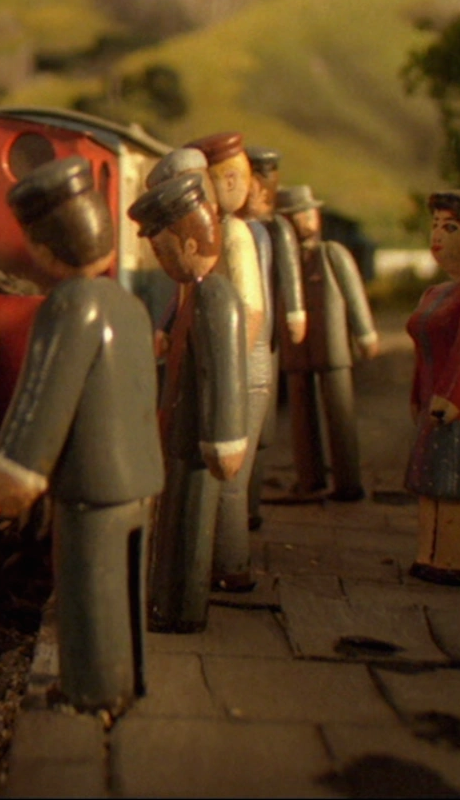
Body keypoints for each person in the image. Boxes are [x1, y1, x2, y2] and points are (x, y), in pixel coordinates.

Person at [0, 155, 165, 716]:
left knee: (90, 585)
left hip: (92, 479)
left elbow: (45, 395)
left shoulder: (69, 305)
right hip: (139, 472)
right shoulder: (128, 304)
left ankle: (92, 690)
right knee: (127, 586)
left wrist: (18, 469)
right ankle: (128, 678)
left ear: (44, 248)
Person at [128, 172, 247, 633]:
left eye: (163, 251)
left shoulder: (215, 295)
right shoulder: (193, 293)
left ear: (190, 244)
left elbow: (224, 370)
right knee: (174, 522)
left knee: (190, 524)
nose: (160, 262)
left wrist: (226, 437)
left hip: (200, 438)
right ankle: (167, 601)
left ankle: (182, 607)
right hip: (181, 433)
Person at [185, 132, 266, 592]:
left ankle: (232, 566)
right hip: (229, 369)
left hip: (242, 370)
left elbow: (251, 309)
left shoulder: (234, 235)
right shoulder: (216, 231)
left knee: (231, 481)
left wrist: (226, 369)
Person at [276, 185, 379, 501]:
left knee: (340, 413)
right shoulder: (280, 263)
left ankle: (348, 483)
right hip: (295, 349)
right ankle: (310, 479)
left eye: (310, 213)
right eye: (298, 215)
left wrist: (365, 332)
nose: (307, 220)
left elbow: (354, 294)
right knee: (301, 417)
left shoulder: (332, 253)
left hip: (331, 343)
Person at [239, 146, 306, 530]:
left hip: (265, 337)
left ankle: (250, 504)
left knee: (260, 427)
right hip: (240, 333)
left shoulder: (276, 229)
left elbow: (290, 273)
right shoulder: (234, 227)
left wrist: (295, 312)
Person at [405, 189, 460, 585]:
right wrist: (418, 393)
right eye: (435, 226)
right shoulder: (436, 293)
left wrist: (455, 396)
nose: (438, 236)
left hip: (457, 410)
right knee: (429, 480)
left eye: (451, 228)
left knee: (455, 483)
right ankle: (427, 554)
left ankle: (453, 557)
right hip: (432, 402)